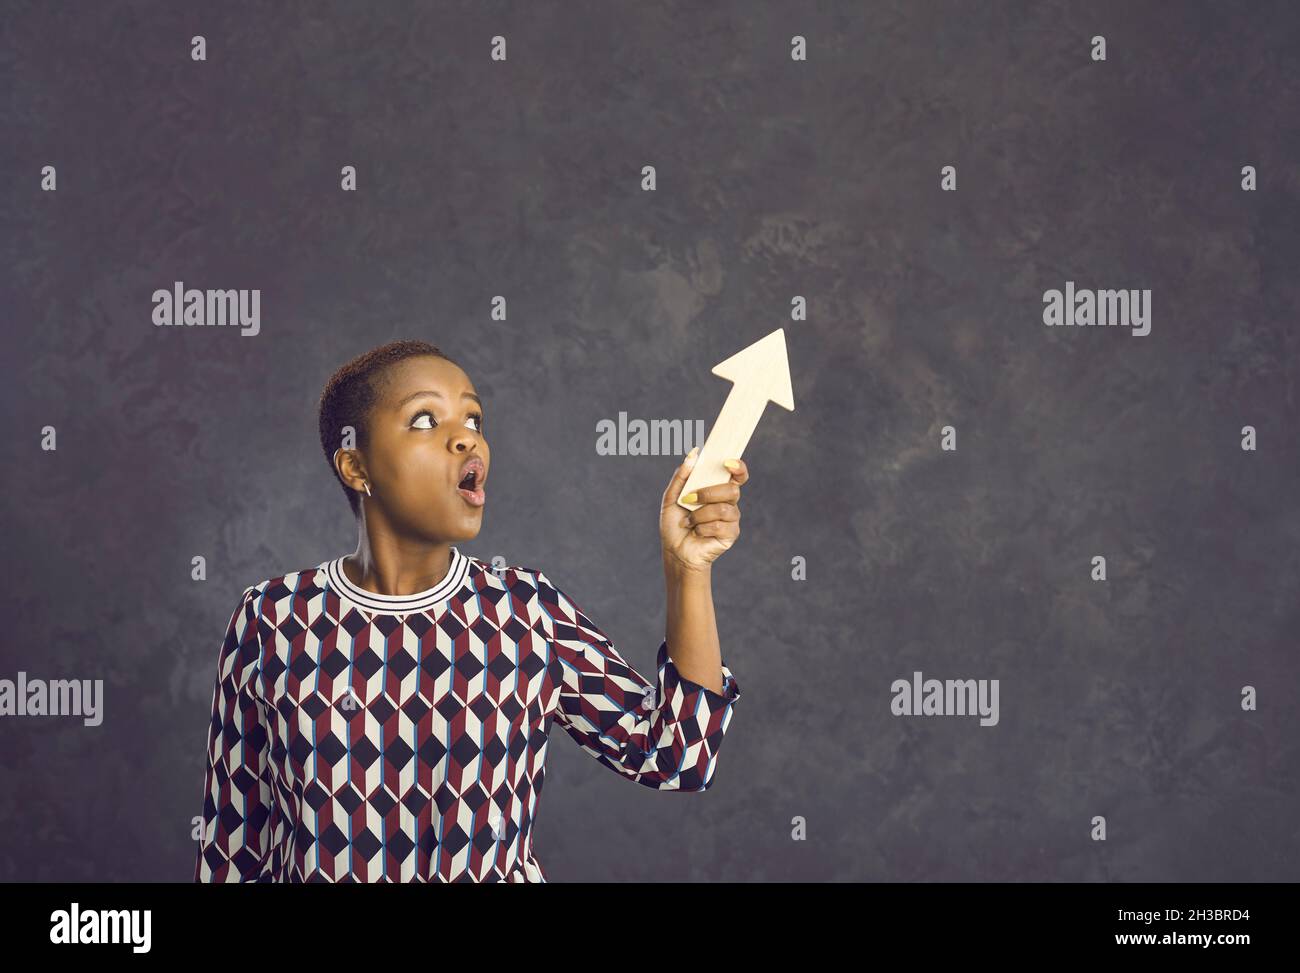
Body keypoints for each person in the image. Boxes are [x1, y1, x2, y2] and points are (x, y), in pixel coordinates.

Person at [194, 339, 745, 882]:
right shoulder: (273, 619)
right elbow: (232, 851)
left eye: (474, 419)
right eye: (426, 420)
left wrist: (687, 570)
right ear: (356, 466)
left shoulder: (525, 610)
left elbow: (679, 757)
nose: (466, 438)